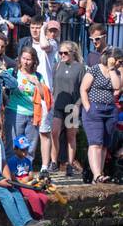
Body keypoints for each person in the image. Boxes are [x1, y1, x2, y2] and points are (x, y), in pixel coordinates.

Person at [4, 45, 53, 171]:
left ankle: (26, 171)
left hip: (33, 114)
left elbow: (44, 96)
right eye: (24, 58)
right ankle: (11, 171)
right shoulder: (13, 73)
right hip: (15, 112)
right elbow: (2, 87)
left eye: (29, 59)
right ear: (20, 59)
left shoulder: (38, 75)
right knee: (13, 144)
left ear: (34, 61)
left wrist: (36, 82)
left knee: (30, 146)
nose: (26, 62)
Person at [80, 46, 123, 183]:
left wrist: (112, 70)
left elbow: (117, 87)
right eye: (118, 61)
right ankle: (96, 175)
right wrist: (88, 107)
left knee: (104, 144)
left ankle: (100, 173)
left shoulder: (115, 72)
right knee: (95, 143)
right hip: (94, 109)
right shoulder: (94, 69)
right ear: (111, 58)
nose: (120, 64)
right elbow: (83, 89)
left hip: (110, 111)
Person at [51, 40, 85, 177]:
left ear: (73, 53)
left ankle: (69, 164)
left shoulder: (80, 67)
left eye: (65, 53)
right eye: (60, 53)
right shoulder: (57, 65)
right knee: (54, 132)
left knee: (71, 135)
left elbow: (83, 88)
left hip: (72, 105)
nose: (63, 55)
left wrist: (78, 105)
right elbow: (54, 85)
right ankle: (54, 162)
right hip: (58, 104)